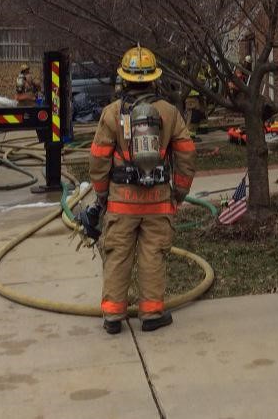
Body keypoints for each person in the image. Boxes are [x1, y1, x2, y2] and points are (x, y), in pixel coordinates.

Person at [83, 46, 196, 334]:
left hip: (121, 201)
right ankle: (151, 314)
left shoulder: (111, 113)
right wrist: (179, 192)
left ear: (124, 79)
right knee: (152, 254)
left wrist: (102, 194)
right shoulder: (169, 112)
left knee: (118, 254)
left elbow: (98, 157)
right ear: (154, 79)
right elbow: (185, 154)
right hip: (158, 201)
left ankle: (112, 317)